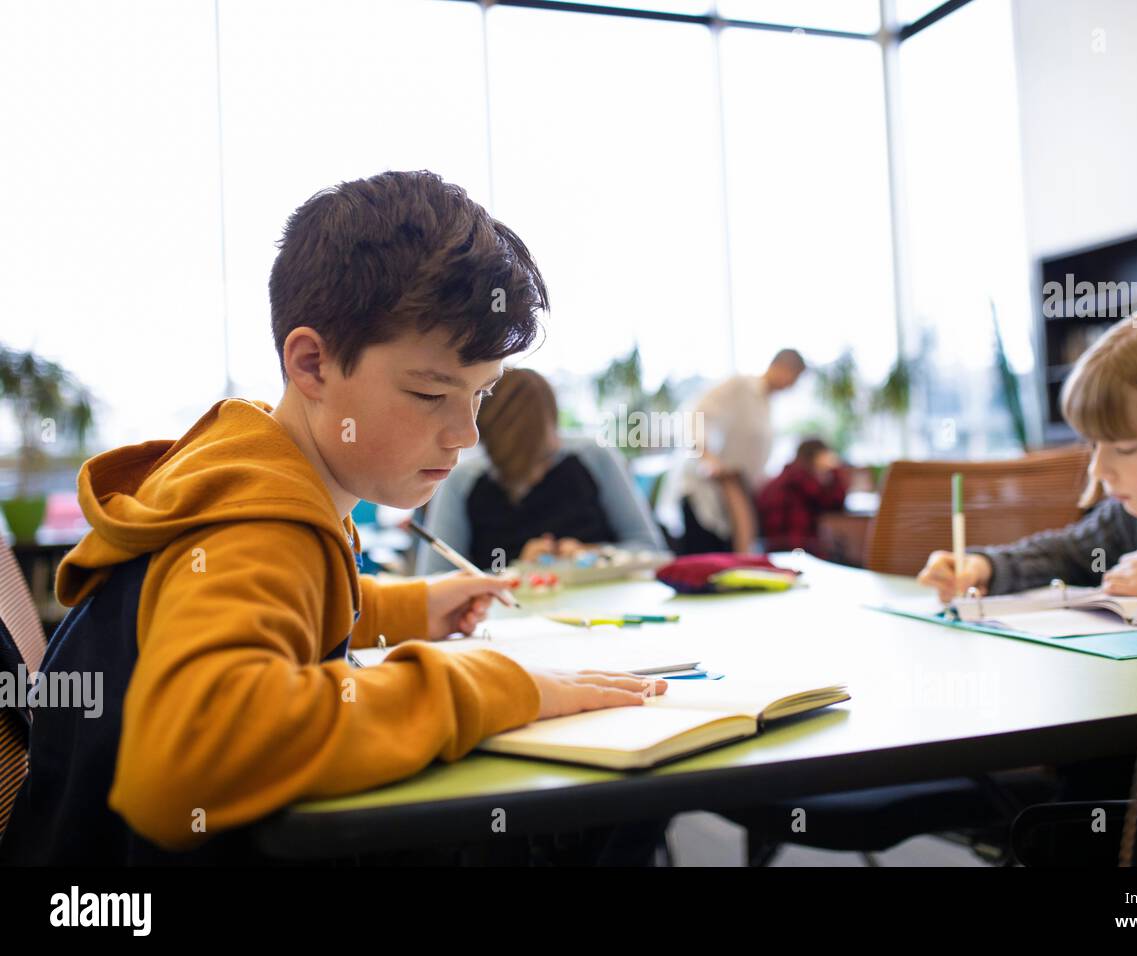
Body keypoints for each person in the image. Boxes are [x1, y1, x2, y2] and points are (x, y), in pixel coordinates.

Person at [0, 171, 664, 865]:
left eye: (481, 395)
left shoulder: (255, 469)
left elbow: (279, 607)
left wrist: (408, 608)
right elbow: (191, 754)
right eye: (431, 391)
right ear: (311, 362)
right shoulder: (258, 526)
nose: (466, 432)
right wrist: (495, 686)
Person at [917, 296, 1137, 605]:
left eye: (1124, 448)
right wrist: (985, 567)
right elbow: (1069, 554)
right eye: (1094, 445)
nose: (1097, 470)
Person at [416, 368, 666, 572]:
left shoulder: (592, 457)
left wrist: (595, 554)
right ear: (489, 444)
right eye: (517, 463)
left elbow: (652, 549)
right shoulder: (464, 481)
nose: (534, 477)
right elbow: (436, 580)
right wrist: (516, 569)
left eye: (544, 457)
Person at [660, 348, 806, 554]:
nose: (792, 385)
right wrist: (707, 457)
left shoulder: (767, 405)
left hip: (735, 496)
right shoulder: (740, 387)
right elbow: (695, 413)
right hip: (705, 492)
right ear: (780, 366)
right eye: (794, 376)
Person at [755, 437, 847, 556]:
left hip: (775, 547)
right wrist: (835, 470)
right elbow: (835, 502)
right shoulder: (802, 481)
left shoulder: (786, 476)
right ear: (817, 459)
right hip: (796, 548)